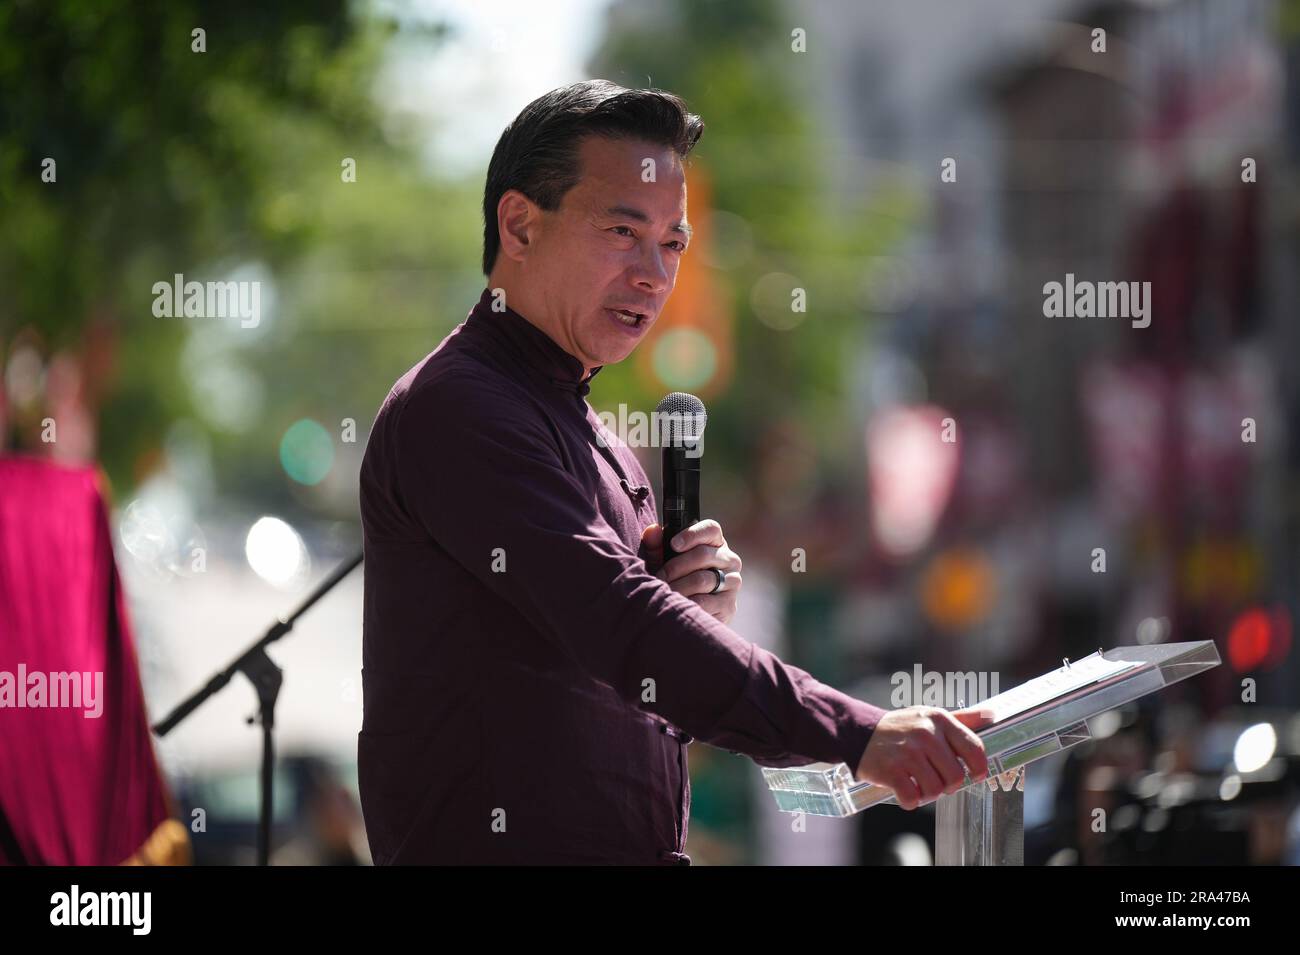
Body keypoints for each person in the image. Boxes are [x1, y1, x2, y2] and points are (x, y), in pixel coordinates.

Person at [358, 79, 993, 865]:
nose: (655, 274)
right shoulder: (458, 408)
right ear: (519, 224)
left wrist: (691, 610)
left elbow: (624, 655)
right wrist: (858, 733)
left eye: (673, 242)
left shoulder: (599, 439)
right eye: (623, 231)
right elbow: (620, 625)